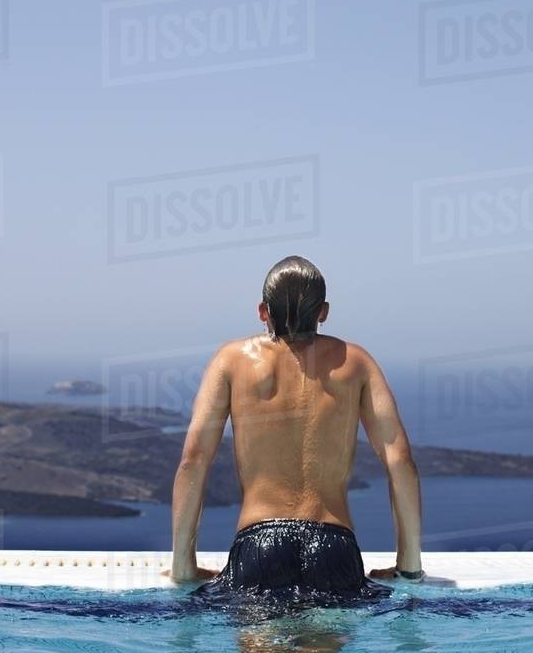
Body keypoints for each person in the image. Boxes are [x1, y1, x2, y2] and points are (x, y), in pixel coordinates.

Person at [163, 255, 423, 600]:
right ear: (324, 311)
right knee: (322, 650)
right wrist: (408, 567)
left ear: (262, 310)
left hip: (258, 548)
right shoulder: (357, 362)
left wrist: (184, 568)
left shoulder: (231, 360)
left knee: (261, 651)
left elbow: (193, 461)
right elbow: (400, 462)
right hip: (333, 549)